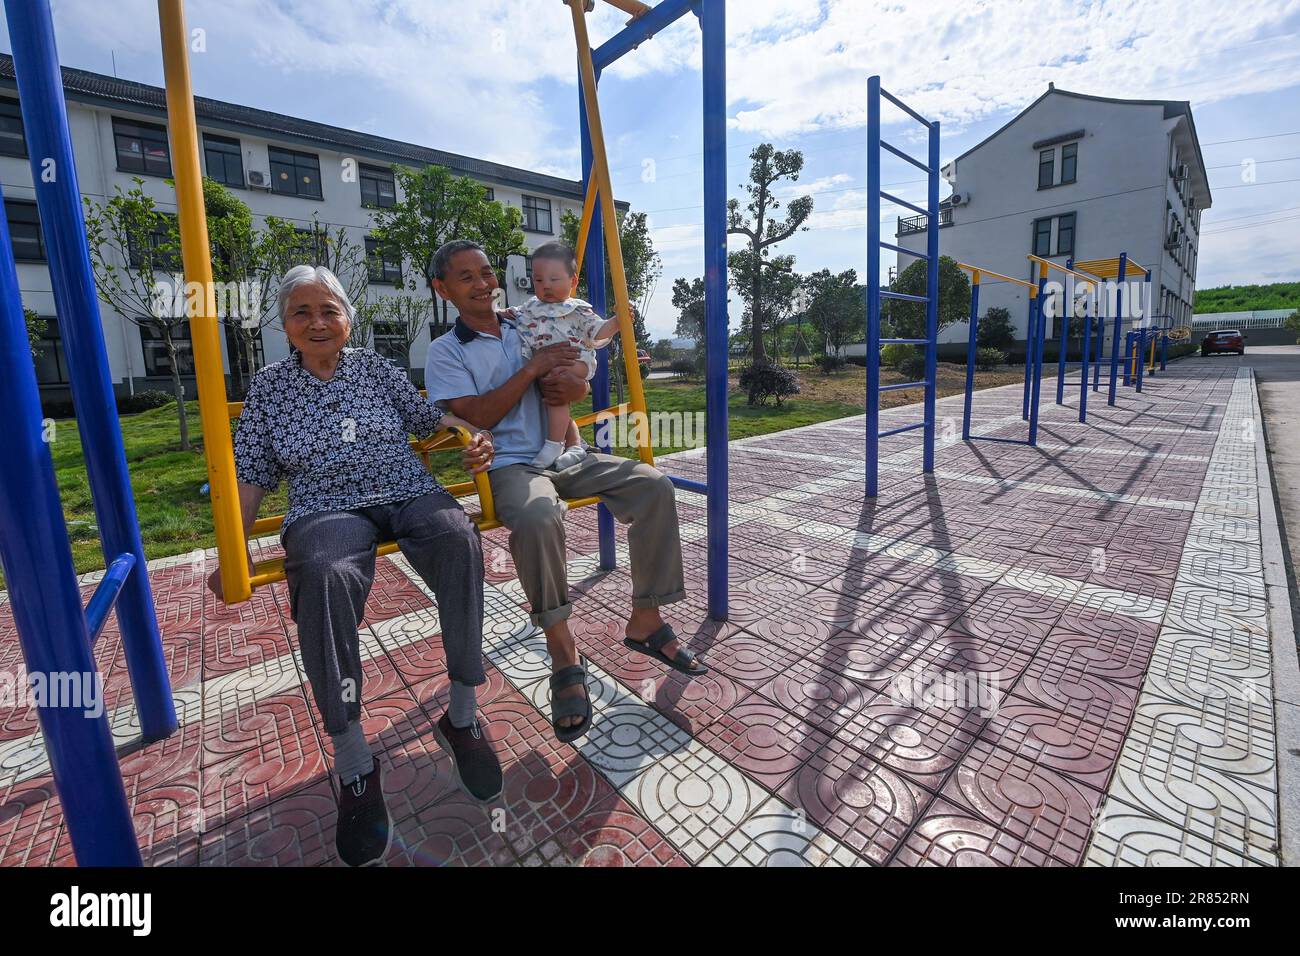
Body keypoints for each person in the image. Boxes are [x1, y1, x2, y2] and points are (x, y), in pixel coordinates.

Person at [209, 264, 501, 867]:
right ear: (285, 324)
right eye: (302, 312)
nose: (318, 322)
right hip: (327, 506)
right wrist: (231, 548)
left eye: (329, 310)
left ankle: (464, 717)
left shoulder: (373, 367)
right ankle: (353, 761)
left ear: (348, 316)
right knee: (322, 573)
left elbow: (428, 420)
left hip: (406, 487)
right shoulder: (269, 388)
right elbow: (254, 474)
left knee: (457, 538)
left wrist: (468, 432)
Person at [424, 240, 707, 745]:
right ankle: (562, 650)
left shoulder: (529, 319)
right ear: (441, 289)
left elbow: (581, 363)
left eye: (487, 272)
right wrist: (532, 371)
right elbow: (473, 416)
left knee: (653, 485)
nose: (482, 283)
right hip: (511, 464)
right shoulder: (446, 350)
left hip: (566, 454)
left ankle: (646, 617)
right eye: (465, 277)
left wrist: (576, 386)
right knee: (536, 517)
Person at [513, 240, 618, 470]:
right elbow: (512, 314)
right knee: (551, 395)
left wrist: (616, 322)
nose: (546, 286)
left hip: (575, 361)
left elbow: (597, 331)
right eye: (539, 280)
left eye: (554, 279)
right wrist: (498, 312)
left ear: (572, 282)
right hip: (547, 364)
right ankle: (574, 446)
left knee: (555, 384)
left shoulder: (577, 310)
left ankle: (553, 444)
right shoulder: (530, 307)